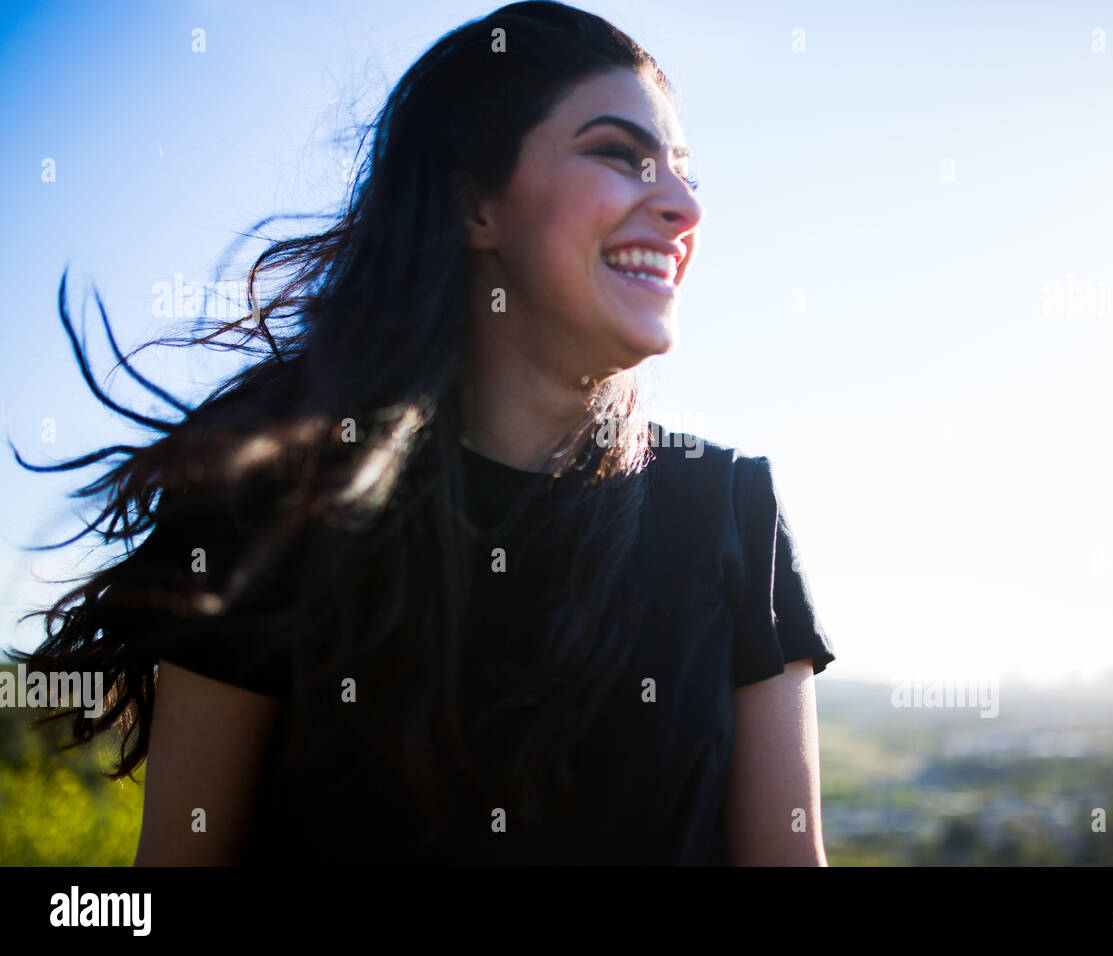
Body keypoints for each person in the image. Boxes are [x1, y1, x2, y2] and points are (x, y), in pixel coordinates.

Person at [10, 0, 835, 865]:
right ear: (472, 201)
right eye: (619, 156)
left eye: (685, 172)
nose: (680, 205)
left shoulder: (732, 509)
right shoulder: (268, 502)